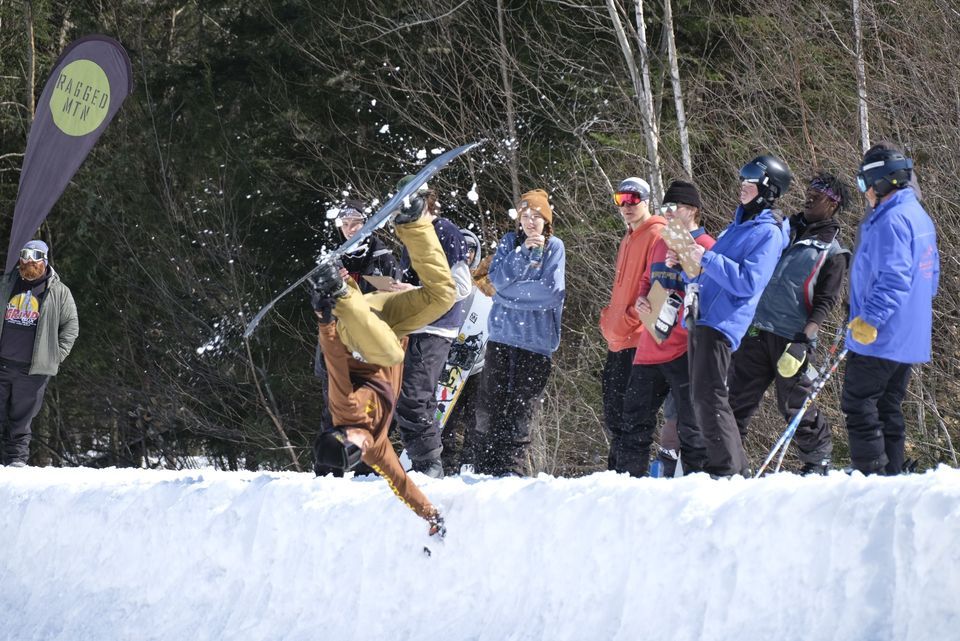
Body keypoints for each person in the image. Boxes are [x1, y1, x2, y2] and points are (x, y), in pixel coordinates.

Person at [309, 197, 451, 535]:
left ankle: (340, 291)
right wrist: (430, 515)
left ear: (340, 432)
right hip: (385, 325)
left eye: (348, 435)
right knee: (443, 296)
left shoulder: (344, 406)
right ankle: (414, 223)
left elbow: (332, 357)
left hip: (353, 331)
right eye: (357, 444)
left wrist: (325, 314)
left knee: (392, 355)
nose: (357, 435)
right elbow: (401, 484)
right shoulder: (377, 451)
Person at [727, 172, 851, 475]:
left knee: (794, 403)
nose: (809, 197)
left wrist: (805, 338)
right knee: (735, 402)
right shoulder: (782, 228)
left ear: (833, 205)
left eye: (818, 195)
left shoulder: (832, 252)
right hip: (756, 329)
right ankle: (728, 463)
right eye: (808, 190)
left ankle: (817, 461)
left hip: (791, 337)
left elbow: (826, 301)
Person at [682, 155, 791, 477]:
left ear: (768, 188)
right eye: (742, 180)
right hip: (703, 318)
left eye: (750, 181)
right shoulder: (737, 226)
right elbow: (709, 273)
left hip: (722, 322)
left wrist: (709, 258)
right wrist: (689, 269)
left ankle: (726, 470)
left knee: (709, 396)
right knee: (704, 395)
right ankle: (735, 469)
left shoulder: (768, 233)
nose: (742, 187)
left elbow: (748, 282)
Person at [842, 142, 939, 475]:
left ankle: (872, 475)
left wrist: (869, 319)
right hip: (907, 334)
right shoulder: (918, 215)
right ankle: (891, 473)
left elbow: (894, 279)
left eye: (863, 184)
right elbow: (931, 277)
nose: (863, 192)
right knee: (887, 406)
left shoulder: (890, 221)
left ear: (881, 182)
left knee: (858, 402)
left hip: (881, 333)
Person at [470, 189, 565, 476]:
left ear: (546, 220)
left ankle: (512, 470)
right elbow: (496, 279)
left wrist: (507, 296)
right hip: (501, 339)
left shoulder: (554, 247)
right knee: (490, 406)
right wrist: (522, 254)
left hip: (536, 344)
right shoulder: (510, 243)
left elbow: (551, 292)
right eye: (526, 216)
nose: (531, 222)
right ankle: (484, 468)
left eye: (537, 216)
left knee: (520, 410)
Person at [624, 180, 714, 477]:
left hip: (683, 348)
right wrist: (640, 300)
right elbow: (646, 281)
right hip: (649, 346)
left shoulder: (707, 246)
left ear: (692, 210)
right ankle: (628, 481)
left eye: (673, 208)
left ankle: (694, 483)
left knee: (692, 424)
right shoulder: (660, 241)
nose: (668, 214)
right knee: (634, 420)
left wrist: (688, 265)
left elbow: (712, 293)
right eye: (665, 208)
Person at [390, 178, 472, 478]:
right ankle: (419, 460)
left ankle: (429, 465)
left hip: (437, 326)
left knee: (415, 395)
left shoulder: (446, 231)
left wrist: (415, 290)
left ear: (425, 202)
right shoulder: (412, 236)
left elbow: (462, 286)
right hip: (412, 323)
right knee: (402, 394)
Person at [313, 200, 400, 476]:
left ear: (368, 224)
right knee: (334, 407)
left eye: (356, 223)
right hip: (338, 343)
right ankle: (328, 470)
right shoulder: (332, 259)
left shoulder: (383, 257)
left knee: (370, 408)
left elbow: (393, 298)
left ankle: (367, 468)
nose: (351, 229)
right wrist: (329, 286)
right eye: (345, 224)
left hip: (370, 345)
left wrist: (354, 284)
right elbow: (319, 303)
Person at [599, 177, 666, 472]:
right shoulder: (628, 237)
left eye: (633, 199)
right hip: (617, 339)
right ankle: (615, 475)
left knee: (631, 416)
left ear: (646, 200)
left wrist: (629, 319)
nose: (625, 206)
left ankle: (628, 478)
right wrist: (609, 318)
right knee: (614, 416)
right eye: (620, 199)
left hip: (638, 340)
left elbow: (661, 287)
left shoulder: (658, 233)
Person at [0, 240, 78, 467]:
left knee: (21, 421)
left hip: (32, 371)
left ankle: (15, 463)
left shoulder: (58, 292)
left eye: (34, 258)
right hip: (2, 364)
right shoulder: (7, 284)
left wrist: (55, 355)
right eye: (24, 257)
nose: (28, 262)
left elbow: (71, 326)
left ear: (44, 261)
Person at [439, 228, 493, 475]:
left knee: (477, 416)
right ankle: (445, 462)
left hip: (478, 361)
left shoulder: (486, 283)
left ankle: (471, 463)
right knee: (445, 416)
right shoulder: (443, 279)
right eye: (463, 250)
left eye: (471, 250)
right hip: (448, 363)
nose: (468, 255)